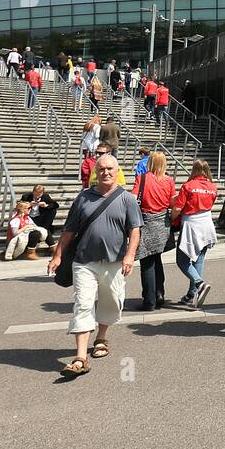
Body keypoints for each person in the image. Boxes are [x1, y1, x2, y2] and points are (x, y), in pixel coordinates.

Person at [46, 153, 141, 377]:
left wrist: (129, 256)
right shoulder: (83, 198)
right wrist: (58, 255)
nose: (106, 172)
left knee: (112, 301)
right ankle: (80, 357)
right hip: (84, 261)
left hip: (115, 261)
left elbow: (134, 230)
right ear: (95, 172)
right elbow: (69, 230)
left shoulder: (126, 198)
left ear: (117, 172)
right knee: (83, 303)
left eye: (110, 169)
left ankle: (101, 337)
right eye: (102, 169)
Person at [131, 151, 175, 311]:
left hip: (147, 222)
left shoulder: (142, 178)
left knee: (147, 262)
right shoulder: (169, 180)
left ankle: (149, 300)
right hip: (163, 224)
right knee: (157, 259)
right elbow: (171, 203)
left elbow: (133, 199)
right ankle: (159, 293)